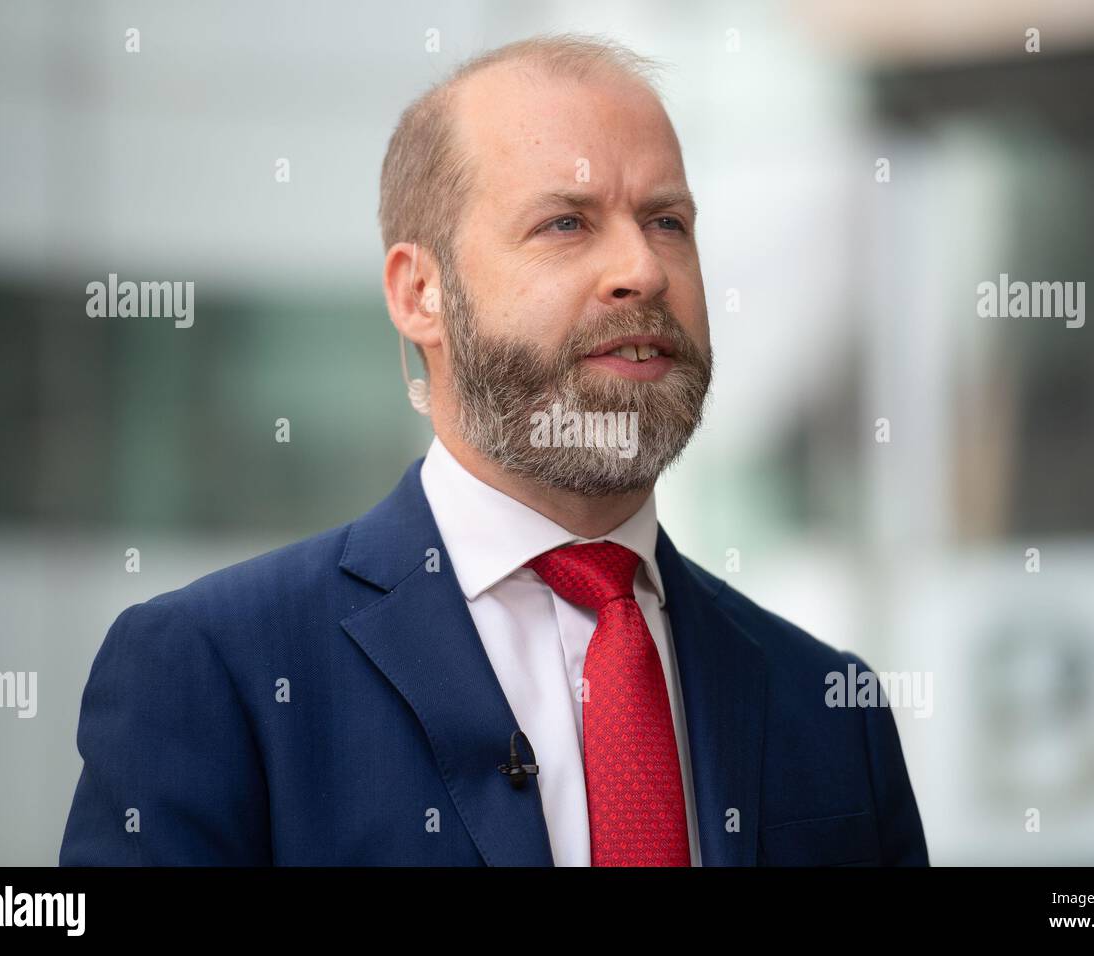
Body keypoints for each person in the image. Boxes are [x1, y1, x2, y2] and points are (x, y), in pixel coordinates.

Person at [60, 32, 928, 867]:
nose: (643, 269)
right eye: (565, 223)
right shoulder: (215, 672)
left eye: (667, 221)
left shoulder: (827, 705)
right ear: (420, 292)